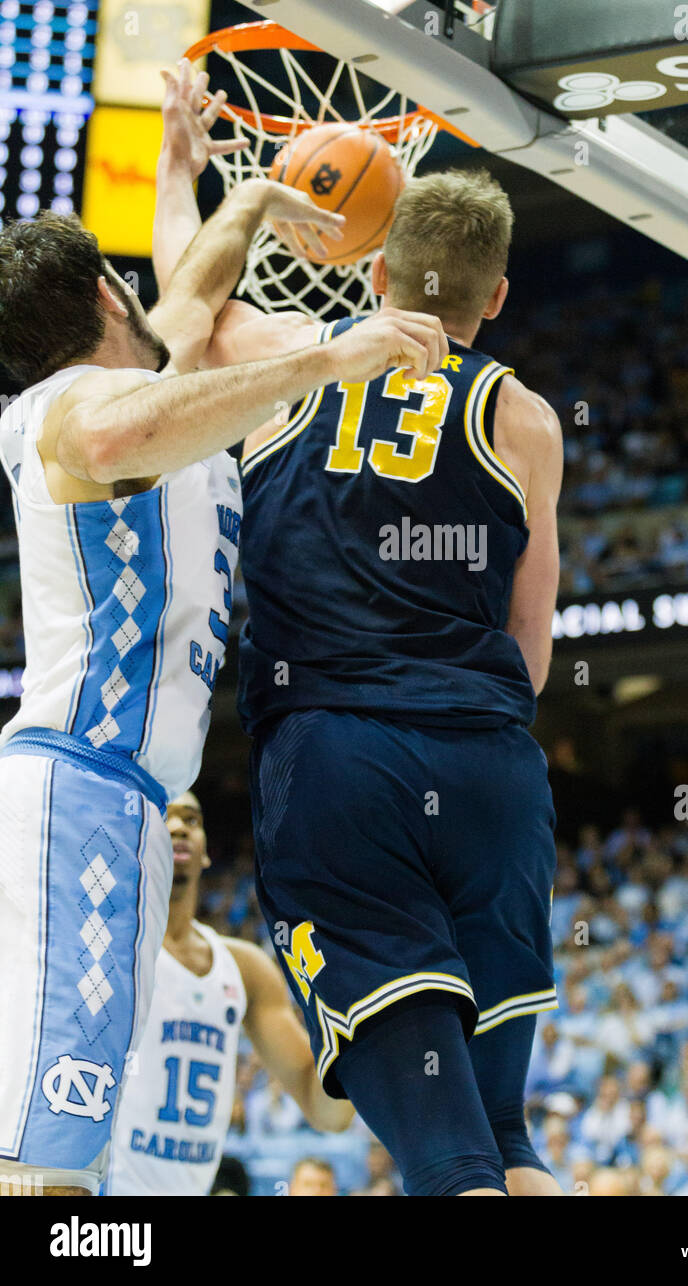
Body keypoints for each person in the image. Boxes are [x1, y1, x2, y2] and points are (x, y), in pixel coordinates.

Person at [0, 63, 446, 1196]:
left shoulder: (151, 377)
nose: (160, 302)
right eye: (130, 289)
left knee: (64, 1144)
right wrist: (331, 354)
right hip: (80, 784)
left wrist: (215, 189)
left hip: (125, 800)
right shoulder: (67, 410)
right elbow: (118, 434)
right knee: (49, 1158)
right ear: (108, 297)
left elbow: (188, 300)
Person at [156, 125, 564, 1194]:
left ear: (375, 268)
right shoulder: (522, 417)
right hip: (490, 770)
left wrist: (186, 173)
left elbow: (180, 304)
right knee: (506, 1147)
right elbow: (532, 636)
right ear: (499, 296)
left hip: (341, 759)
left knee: (446, 1159)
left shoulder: (289, 355)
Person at [106, 791, 353, 1195]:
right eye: (164, 817)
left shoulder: (246, 967)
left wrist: (354, 1025)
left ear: (205, 853)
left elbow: (326, 1111)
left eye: (192, 818)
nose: (179, 827)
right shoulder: (111, 951)